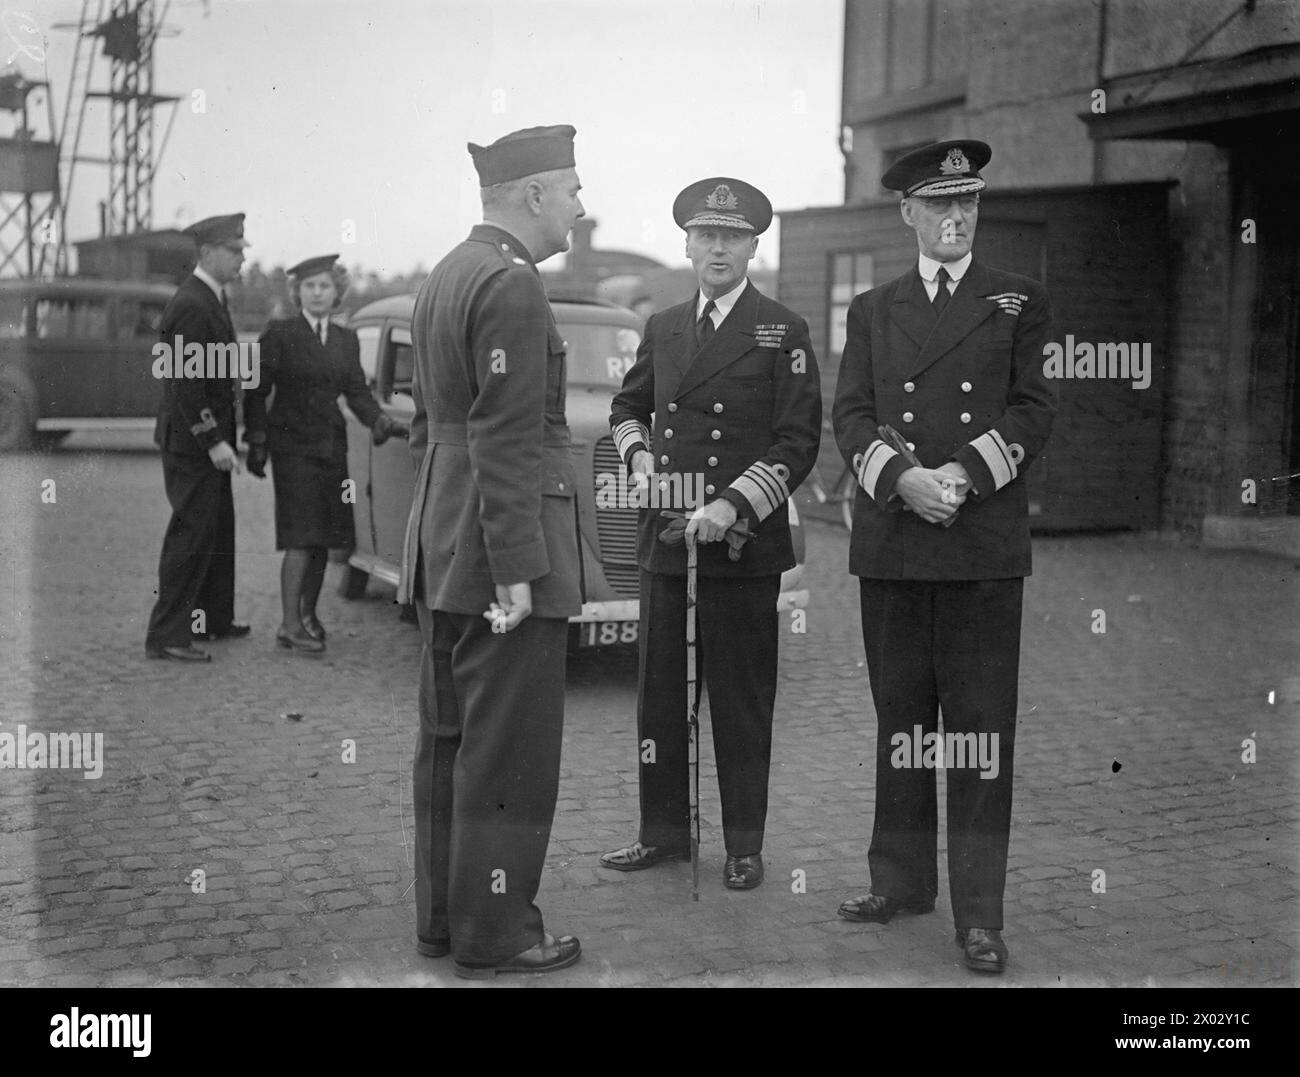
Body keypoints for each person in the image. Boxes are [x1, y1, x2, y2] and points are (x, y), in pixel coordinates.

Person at [831, 140, 1057, 973]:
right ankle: (899, 880)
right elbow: (850, 415)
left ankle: (980, 913)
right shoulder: (871, 308)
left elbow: (1036, 410)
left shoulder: (1018, 301)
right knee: (903, 722)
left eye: (967, 203)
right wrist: (903, 480)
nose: (956, 218)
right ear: (909, 215)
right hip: (894, 540)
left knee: (978, 731)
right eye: (939, 205)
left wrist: (960, 475)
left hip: (980, 545)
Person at [395, 125, 585, 978]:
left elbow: (442, 425)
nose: (583, 205)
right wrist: (517, 568)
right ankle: (498, 932)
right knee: (505, 754)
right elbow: (504, 435)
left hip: (444, 542)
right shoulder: (512, 286)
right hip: (500, 552)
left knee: (448, 741)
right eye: (573, 189)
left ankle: (444, 922)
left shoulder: (448, 272)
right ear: (535, 195)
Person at [601, 178, 821, 890]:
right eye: (705, 236)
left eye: (732, 237)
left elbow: (797, 439)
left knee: (740, 698)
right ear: (689, 244)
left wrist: (733, 503)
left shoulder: (779, 328)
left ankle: (744, 844)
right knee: (660, 696)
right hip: (667, 538)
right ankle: (661, 833)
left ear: (753, 245)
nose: (717, 248)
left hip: (740, 543)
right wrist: (637, 458)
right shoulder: (662, 325)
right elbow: (626, 407)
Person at [243, 254, 407, 654]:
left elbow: (357, 393)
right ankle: (289, 624)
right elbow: (255, 391)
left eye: (325, 287)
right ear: (297, 292)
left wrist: (382, 423)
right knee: (300, 537)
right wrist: (258, 440)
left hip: (331, 447)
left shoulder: (345, 339)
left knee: (322, 538)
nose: (317, 294)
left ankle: (308, 615)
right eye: (309, 287)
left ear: (337, 293)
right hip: (292, 449)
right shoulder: (279, 334)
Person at [145, 213, 252, 662]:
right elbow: (186, 383)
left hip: (204, 440)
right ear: (207, 252)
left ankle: (210, 620)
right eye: (234, 250)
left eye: (242, 250)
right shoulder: (193, 303)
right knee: (191, 534)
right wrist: (213, 439)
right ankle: (168, 635)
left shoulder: (209, 298)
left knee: (216, 529)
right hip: (193, 444)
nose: (242, 258)